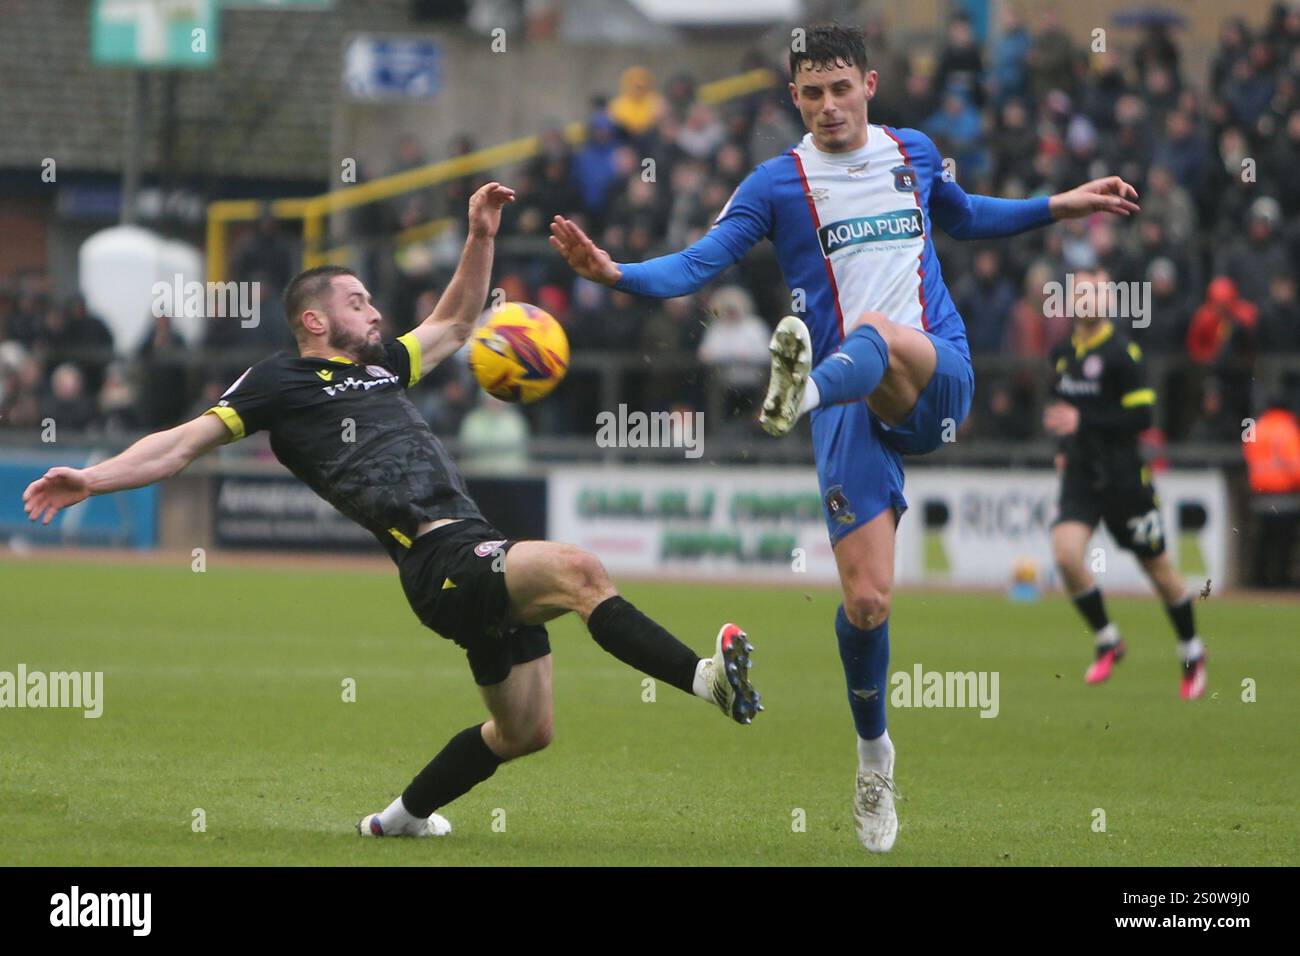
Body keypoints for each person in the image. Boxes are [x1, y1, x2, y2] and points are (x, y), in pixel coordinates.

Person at [548, 23, 1138, 853]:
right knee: (867, 603)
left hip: (935, 373)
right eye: (811, 93)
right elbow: (698, 263)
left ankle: (802, 389)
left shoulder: (916, 151)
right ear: (795, 97)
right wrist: (615, 273)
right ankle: (873, 756)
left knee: (870, 326)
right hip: (845, 414)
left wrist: (1063, 202)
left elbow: (963, 218)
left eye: (841, 89)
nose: (828, 106)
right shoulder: (776, 183)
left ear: (868, 84)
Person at [22, 183, 761, 840]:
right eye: (357, 302)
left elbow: (452, 324)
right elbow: (181, 445)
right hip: (437, 561)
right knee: (579, 569)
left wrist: (479, 236)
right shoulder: (280, 380)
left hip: (470, 549)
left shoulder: (380, 368)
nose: (373, 310)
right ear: (312, 319)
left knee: (525, 731)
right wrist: (92, 477)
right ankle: (706, 680)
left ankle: (398, 819)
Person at [1043, 269, 1207, 700]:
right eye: (1080, 294)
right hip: (1081, 476)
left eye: (1095, 294)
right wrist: (1065, 441)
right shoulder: (1062, 353)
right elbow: (1063, 408)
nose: (1087, 301)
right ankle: (1108, 638)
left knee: (1159, 571)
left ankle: (1192, 650)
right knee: (1065, 554)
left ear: (1109, 302)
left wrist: (1084, 421)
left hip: (1123, 479)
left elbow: (1142, 419)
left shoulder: (1122, 354)